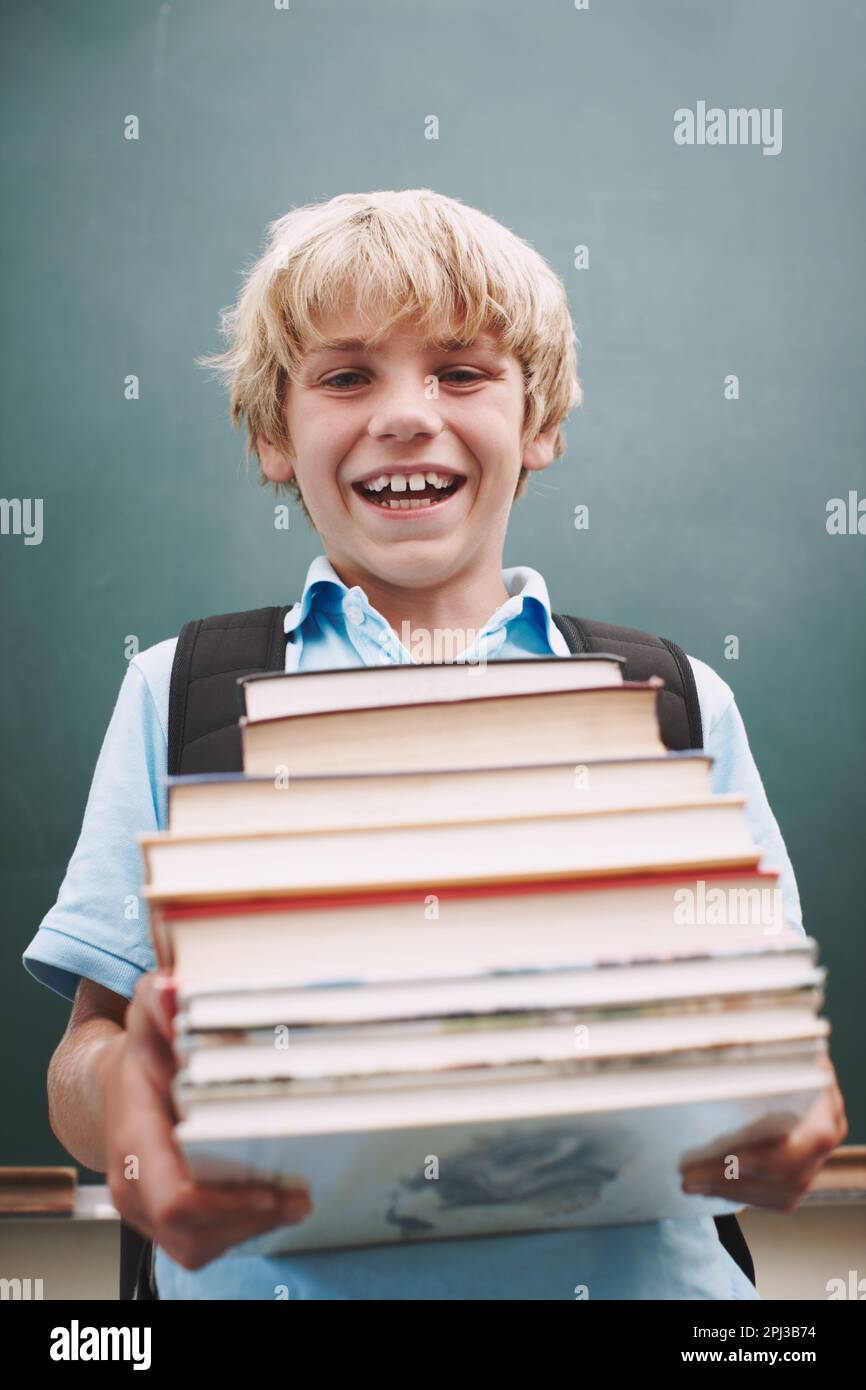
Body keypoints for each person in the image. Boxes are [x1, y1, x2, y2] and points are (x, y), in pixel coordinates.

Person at [24, 189, 847, 1299]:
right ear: (275, 436)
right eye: (346, 374)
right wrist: (128, 1091)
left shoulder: (672, 701)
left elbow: (771, 1072)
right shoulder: (179, 694)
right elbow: (89, 1057)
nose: (406, 414)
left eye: (461, 372)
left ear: (539, 422)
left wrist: (781, 1115)